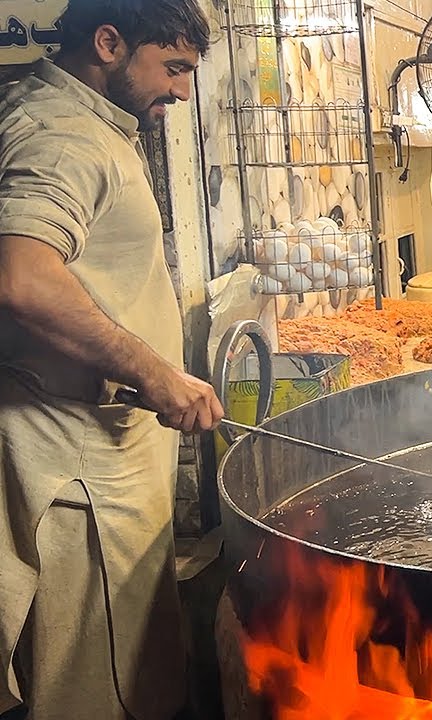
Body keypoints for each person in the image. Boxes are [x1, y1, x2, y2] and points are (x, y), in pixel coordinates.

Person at [0, 1, 223, 718]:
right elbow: (24, 277)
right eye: (174, 68)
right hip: (79, 472)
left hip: (99, 453)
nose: (182, 90)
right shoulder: (65, 137)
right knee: (97, 687)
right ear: (108, 43)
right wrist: (155, 372)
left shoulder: (75, 117)